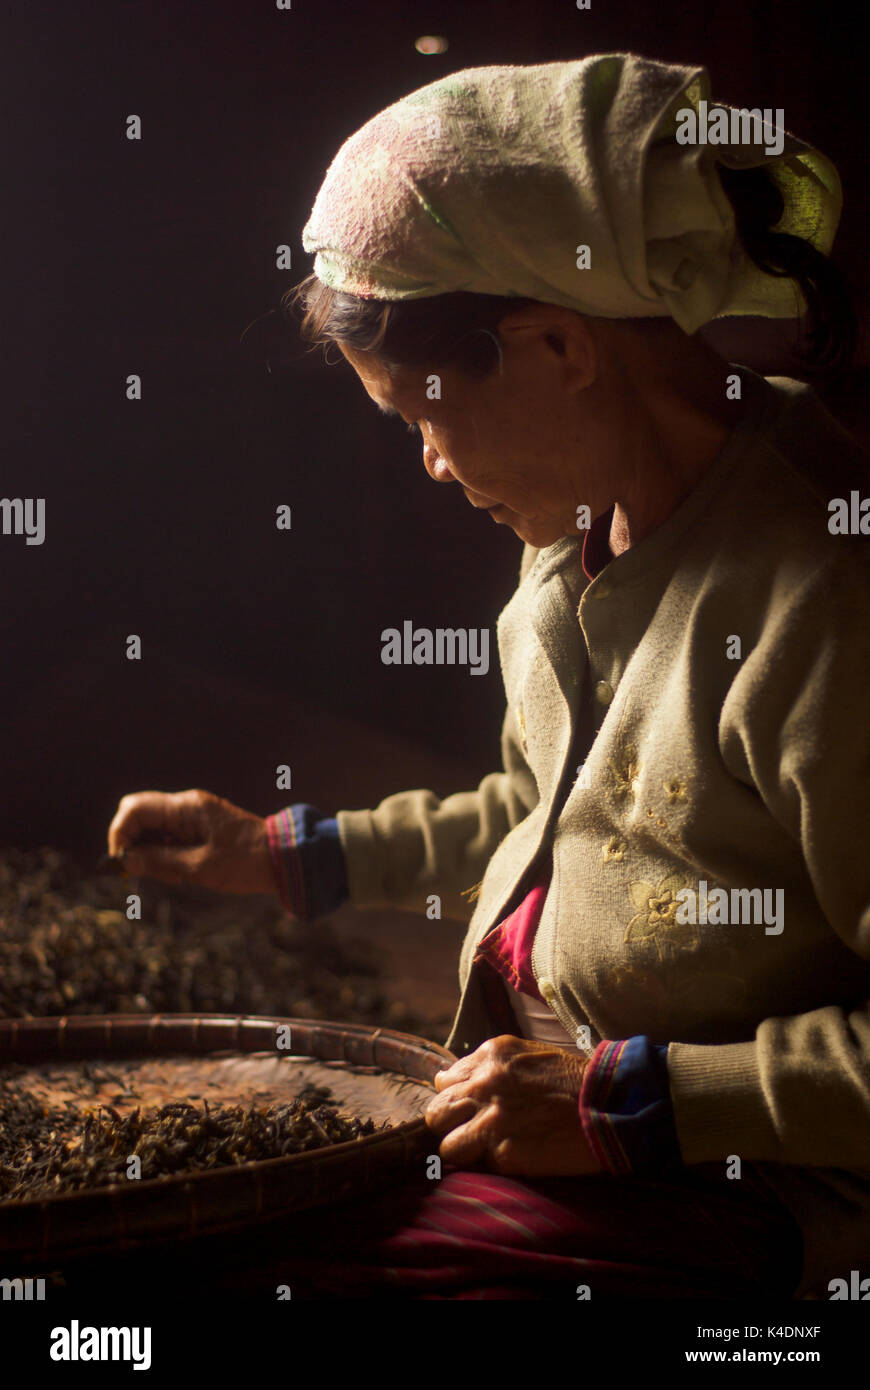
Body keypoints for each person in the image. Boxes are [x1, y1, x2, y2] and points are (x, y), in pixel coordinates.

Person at [108, 53, 870, 1300]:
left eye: (424, 411)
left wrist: (643, 1102)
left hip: (741, 1180)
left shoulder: (824, 594)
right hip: (556, 1110)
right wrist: (291, 853)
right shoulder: (581, 530)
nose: (430, 464)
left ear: (556, 345)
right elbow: (547, 817)